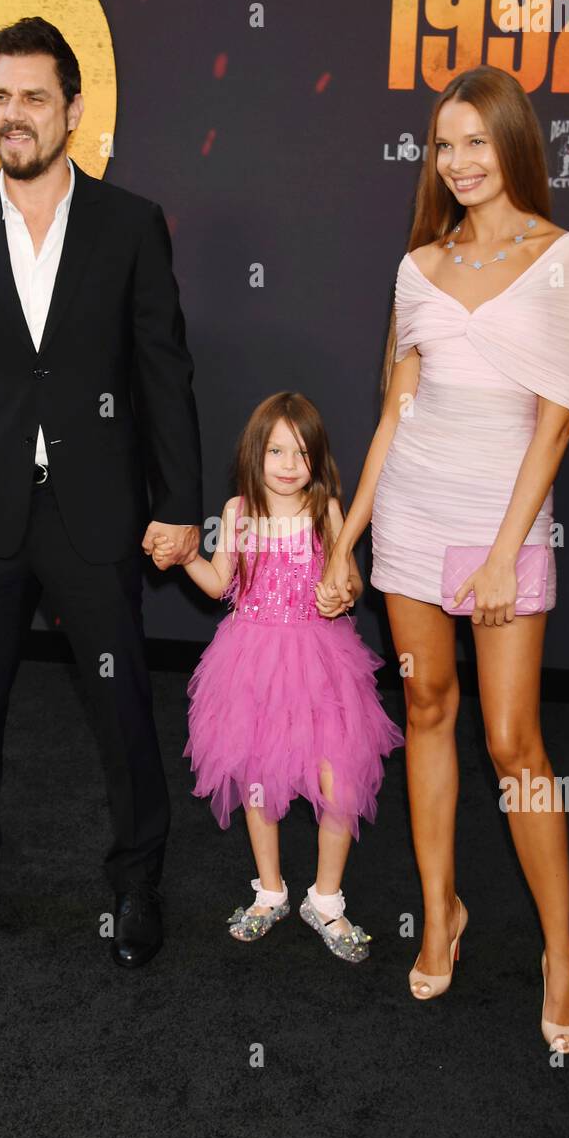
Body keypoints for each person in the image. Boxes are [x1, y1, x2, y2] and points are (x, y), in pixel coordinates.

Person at [0, 16, 202, 968]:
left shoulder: (129, 223)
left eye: (32, 97)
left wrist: (181, 503)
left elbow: (162, 374)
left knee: (121, 711)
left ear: (74, 108)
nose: (12, 116)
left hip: (95, 510)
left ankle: (137, 880)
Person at [318, 66, 569, 1048]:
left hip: (502, 526)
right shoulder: (416, 265)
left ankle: (560, 952)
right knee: (427, 707)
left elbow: (556, 426)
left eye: (478, 140)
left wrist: (502, 557)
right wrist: (345, 545)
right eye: (445, 144)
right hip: (412, 517)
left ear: (514, 144)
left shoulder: (560, 255)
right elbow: (394, 414)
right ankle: (441, 912)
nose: (461, 161)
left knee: (513, 740)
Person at [152, 393, 404, 963]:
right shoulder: (238, 512)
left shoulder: (328, 511)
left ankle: (327, 898)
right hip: (250, 665)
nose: (289, 464)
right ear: (255, 453)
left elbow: (353, 584)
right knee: (257, 779)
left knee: (339, 780)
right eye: (276, 450)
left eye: (302, 452)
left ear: (318, 458)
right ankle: (270, 891)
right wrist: (183, 556)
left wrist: (340, 594)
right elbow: (220, 584)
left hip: (320, 666)